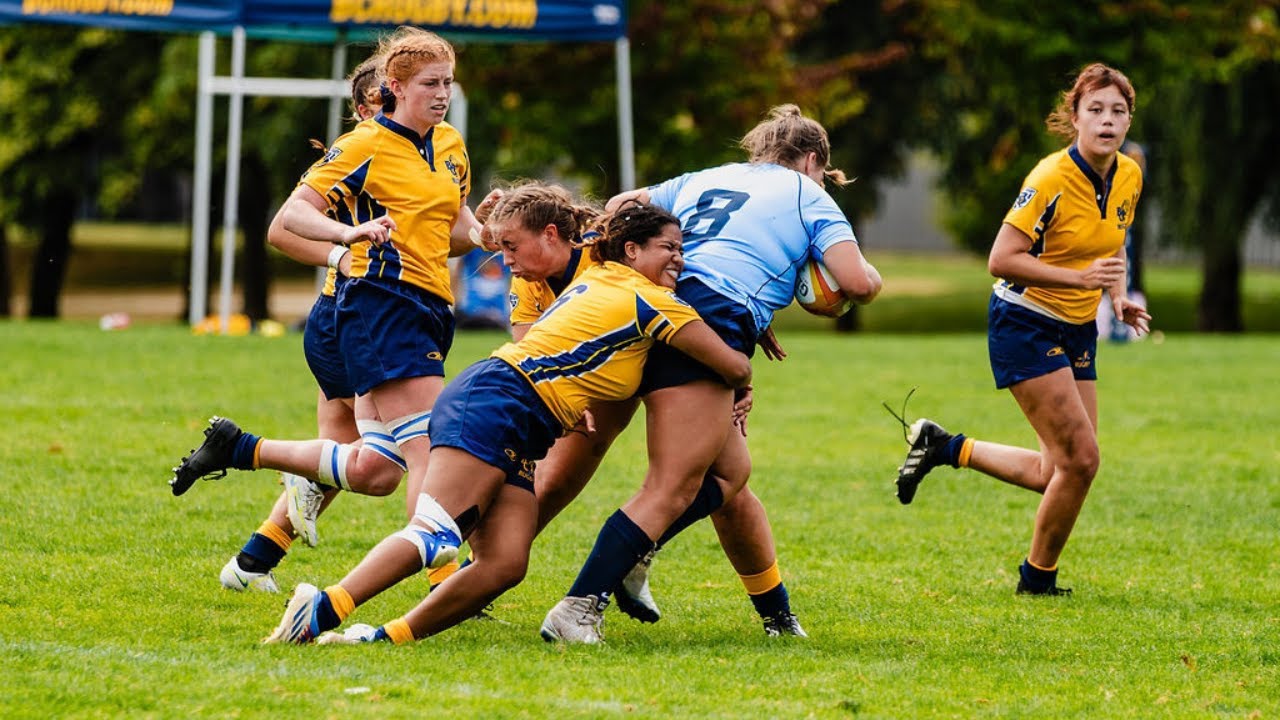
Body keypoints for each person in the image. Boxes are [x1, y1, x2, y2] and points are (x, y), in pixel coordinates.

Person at [261, 200, 752, 645]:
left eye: (682, 249)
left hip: (519, 419)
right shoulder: (652, 300)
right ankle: (322, 608)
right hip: (496, 402)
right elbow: (734, 366)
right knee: (437, 533)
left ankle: (382, 639)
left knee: (503, 565)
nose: (679, 259)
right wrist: (747, 356)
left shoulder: (597, 278)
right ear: (630, 249)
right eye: (668, 247)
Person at [541, 104, 882, 643]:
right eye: (822, 173)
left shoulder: (710, 176)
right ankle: (579, 607)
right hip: (709, 319)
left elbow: (622, 204)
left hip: (653, 302)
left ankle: (775, 620)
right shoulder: (809, 195)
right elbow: (854, 285)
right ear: (814, 160)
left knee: (727, 478)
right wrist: (870, 278)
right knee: (673, 486)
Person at [170, 28, 486, 538]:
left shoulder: (450, 144)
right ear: (397, 87)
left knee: (375, 470)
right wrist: (346, 238)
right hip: (381, 305)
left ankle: (243, 457)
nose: (443, 94)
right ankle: (439, 586)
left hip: (430, 308)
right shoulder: (365, 143)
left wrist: (486, 233)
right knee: (431, 445)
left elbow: (451, 232)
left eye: (448, 82)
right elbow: (291, 216)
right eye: (431, 83)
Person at [892, 63, 1150, 596]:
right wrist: (1079, 278)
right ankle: (1037, 579)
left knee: (1057, 470)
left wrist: (1117, 299)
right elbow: (1001, 259)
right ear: (1074, 117)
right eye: (1095, 110)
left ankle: (945, 447)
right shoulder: (1049, 178)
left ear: (1128, 121)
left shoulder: (1129, 174)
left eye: (1118, 111)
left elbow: (1113, 241)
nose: (1107, 120)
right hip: (1024, 323)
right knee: (1082, 461)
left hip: (1078, 327)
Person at [215, 54, 383, 593]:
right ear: (363, 110)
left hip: (388, 317)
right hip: (352, 317)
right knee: (406, 451)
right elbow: (282, 229)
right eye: (388, 97)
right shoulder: (360, 152)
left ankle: (250, 563)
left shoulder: (437, 151)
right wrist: (340, 256)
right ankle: (449, 584)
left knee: (340, 460)